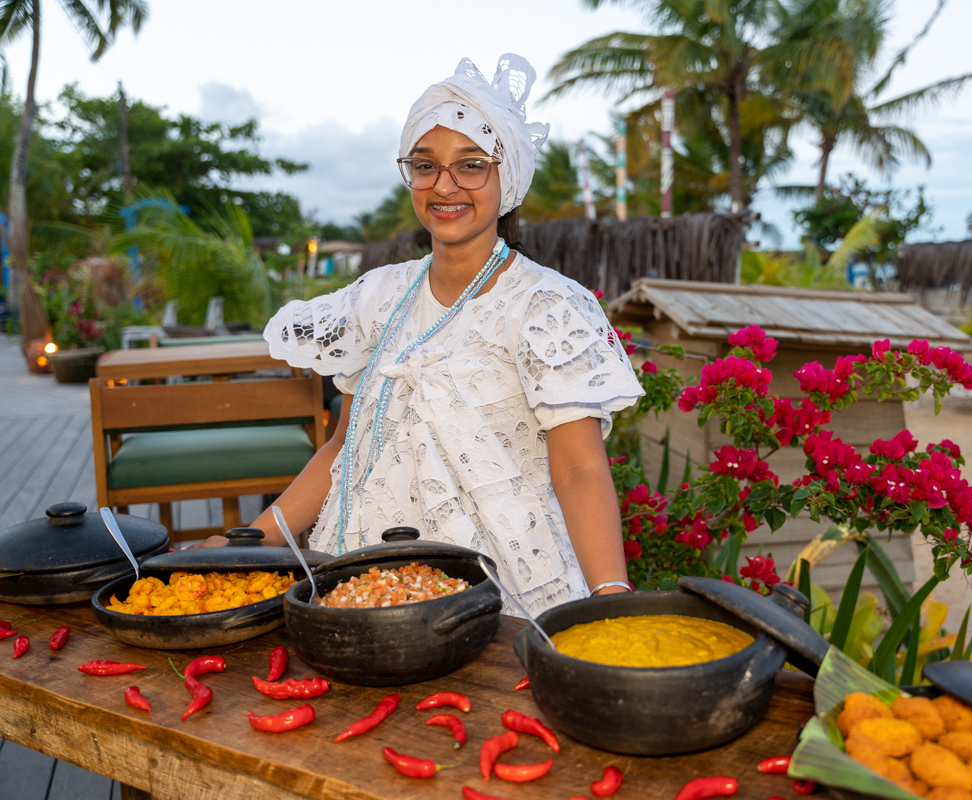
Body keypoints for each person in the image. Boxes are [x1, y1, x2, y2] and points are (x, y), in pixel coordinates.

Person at [198, 54, 643, 614]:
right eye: (425, 165)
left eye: (471, 164)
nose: (445, 185)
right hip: (368, 580)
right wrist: (252, 543)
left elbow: (579, 469)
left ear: (507, 178)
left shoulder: (545, 305)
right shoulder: (379, 297)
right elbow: (342, 446)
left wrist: (611, 600)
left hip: (503, 593)